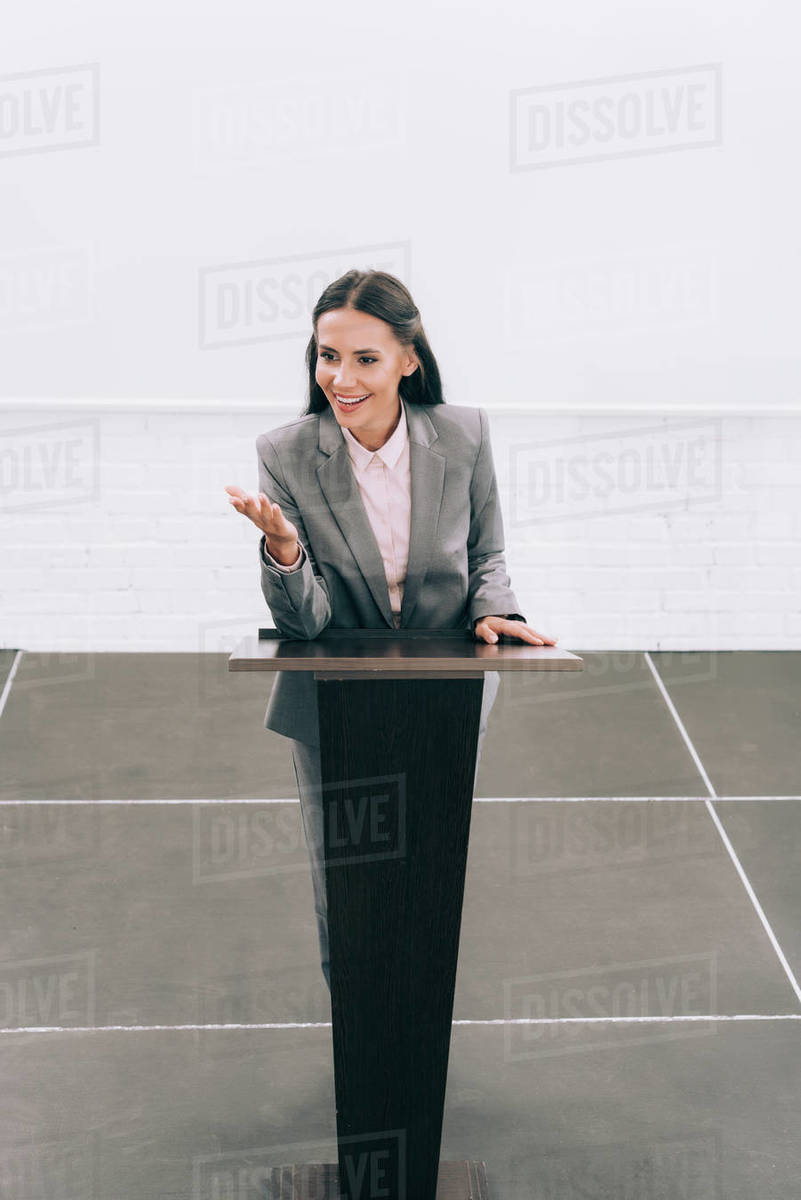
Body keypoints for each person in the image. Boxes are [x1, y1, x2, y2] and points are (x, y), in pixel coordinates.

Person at [225, 269, 557, 992]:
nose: (340, 377)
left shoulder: (463, 435)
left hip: (445, 697)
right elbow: (304, 623)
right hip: (335, 708)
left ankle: (417, 1021)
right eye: (326, 356)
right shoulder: (285, 453)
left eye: (365, 359)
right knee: (346, 884)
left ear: (409, 357)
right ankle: (361, 1027)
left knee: (429, 872)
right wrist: (283, 550)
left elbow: (486, 553)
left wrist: (495, 609)